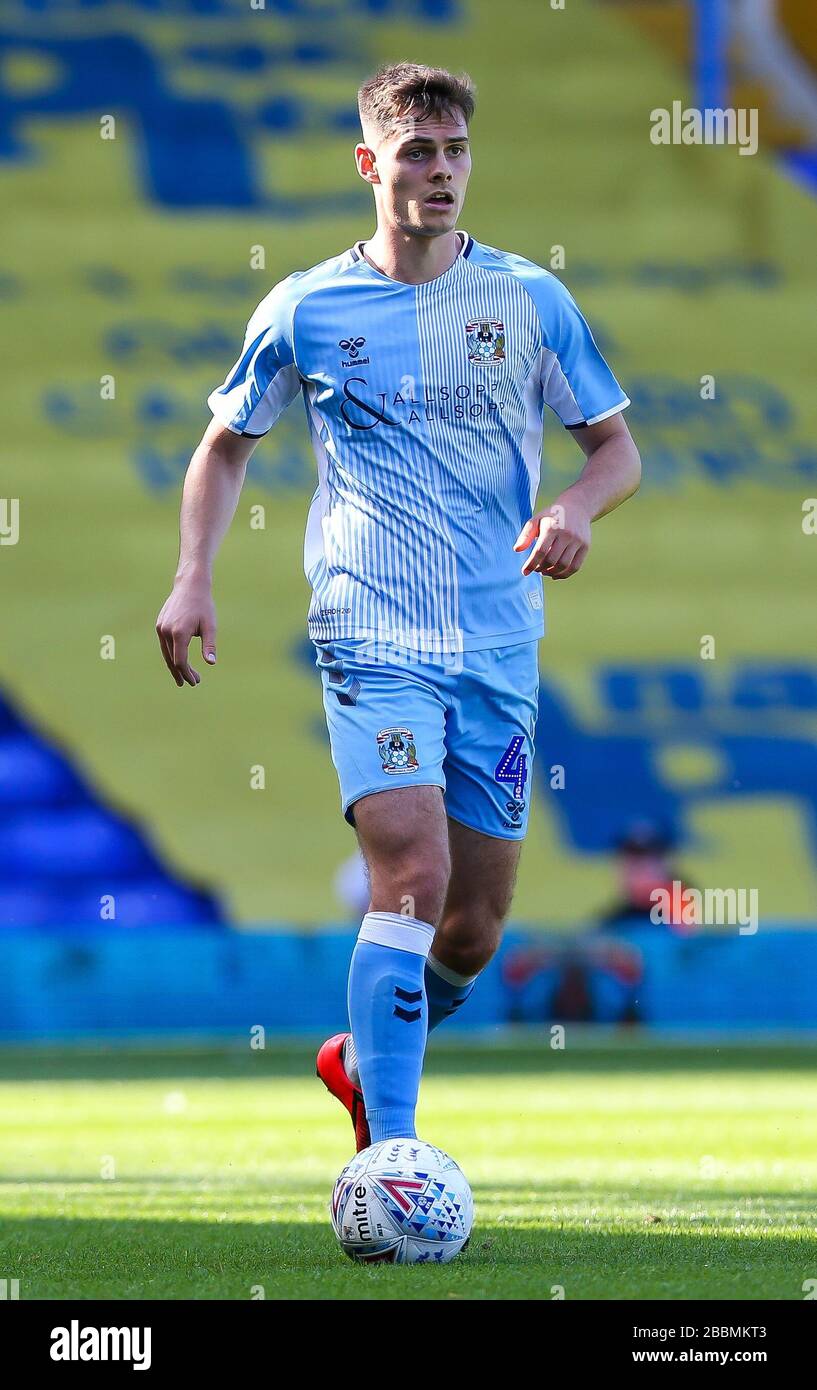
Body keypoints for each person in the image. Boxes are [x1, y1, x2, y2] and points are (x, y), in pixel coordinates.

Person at [155, 63, 641, 1152]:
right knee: (409, 876)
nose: (441, 171)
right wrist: (194, 574)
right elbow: (223, 446)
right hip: (369, 631)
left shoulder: (527, 299)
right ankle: (393, 1152)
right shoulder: (307, 306)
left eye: (456, 151)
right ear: (371, 165)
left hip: (499, 638)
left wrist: (575, 505)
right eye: (417, 152)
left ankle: (362, 1053)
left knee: (470, 929)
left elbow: (615, 449)